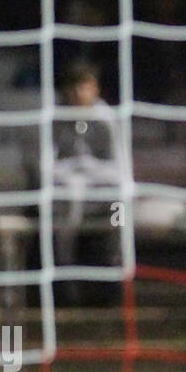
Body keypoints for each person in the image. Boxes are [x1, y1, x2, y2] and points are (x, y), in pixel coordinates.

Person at [52, 60, 126, 305]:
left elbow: (118, 165)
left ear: (95, 89)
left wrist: (90, 168)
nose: (78, 93)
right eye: (73, 88)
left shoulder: (107, 118)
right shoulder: (54, 116)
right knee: (70, 194)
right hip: (67, 187)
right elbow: (46, 164)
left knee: (120, 198)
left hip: (99, 185)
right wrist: (71, 171)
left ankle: (117, 264)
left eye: (84, 87)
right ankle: (64, 267)